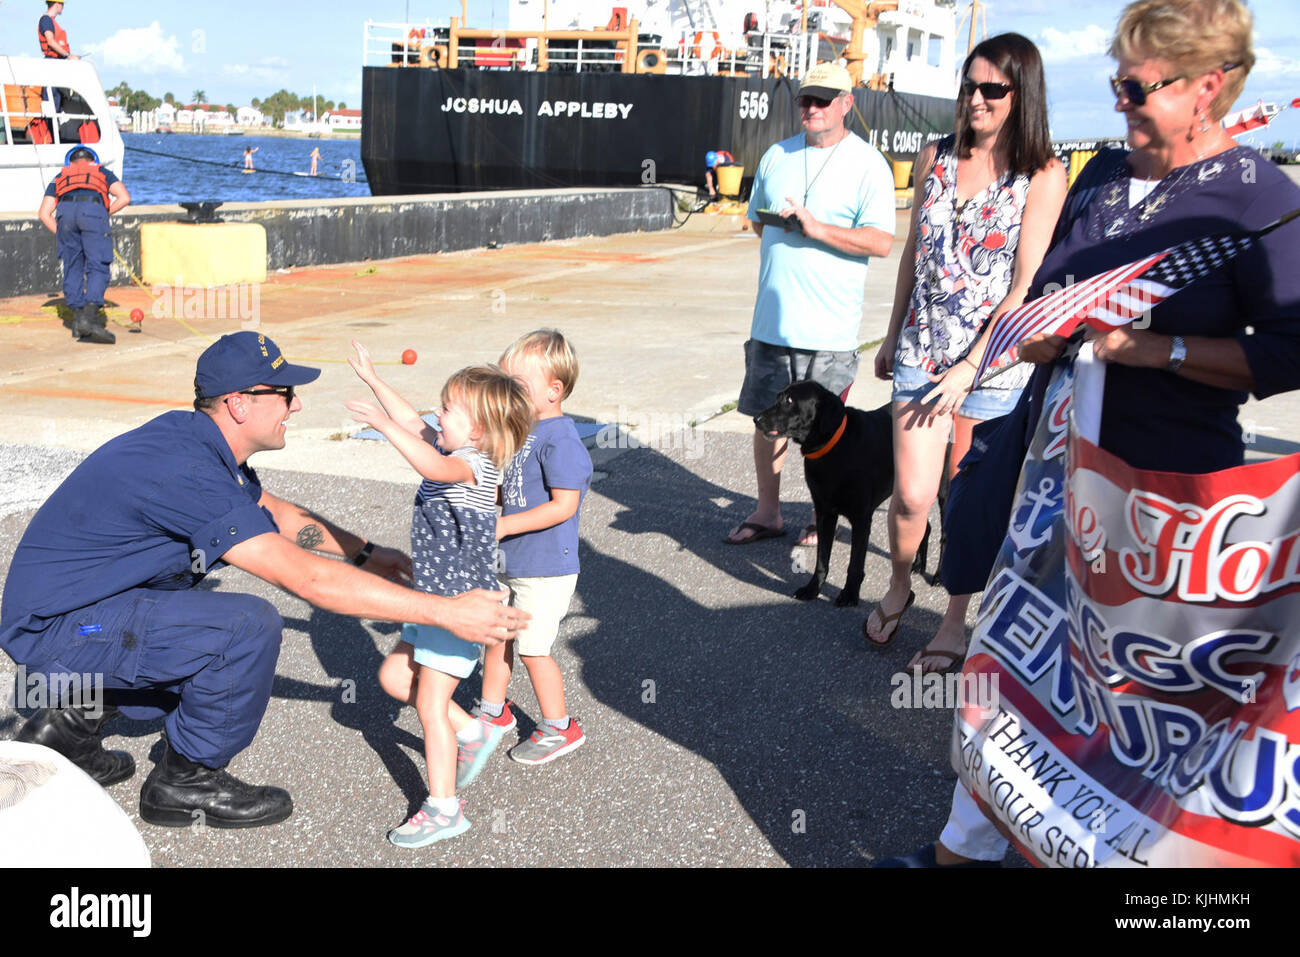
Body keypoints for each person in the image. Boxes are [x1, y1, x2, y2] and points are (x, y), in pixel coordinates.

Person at [878, 0, 1300, 867]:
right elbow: (1050, 286)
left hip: (1165, 490)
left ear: (1208, 86)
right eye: (1115, 82)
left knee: (1139, 696)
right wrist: (1039, 328)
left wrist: (1160, 348)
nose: (1119, 103)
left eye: (1137, 87)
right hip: (1056, 463)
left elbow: (1291, 346)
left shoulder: (1260, 197)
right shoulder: (1104, 171)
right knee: (1010, 657)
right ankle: (961, 848)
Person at [1, 332, 528, 831]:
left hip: (74, 611)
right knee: (244, 626)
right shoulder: (185, 470)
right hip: (61, 630)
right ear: (239, 404)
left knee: (176, 608)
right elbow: (307, 579)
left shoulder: (197, 442)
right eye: (285, 393)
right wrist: (445, 611)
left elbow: (275, 513)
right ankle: (186, 781)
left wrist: (366, 554)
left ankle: (66, 728)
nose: (296, 406)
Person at [867, 34, 1066, 668]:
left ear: (1021, 94)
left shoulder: (1042, 175)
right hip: (922, 354)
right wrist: (893, 334)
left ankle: (954, 619)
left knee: (969, 503)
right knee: (913, 496)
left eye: (991, 90)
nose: (974, 100)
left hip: (994, 364)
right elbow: (912, 257)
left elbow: (1022, 287)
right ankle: (899, 582)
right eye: (968, 86)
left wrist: (971, 366)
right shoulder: (934, 157)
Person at [346, 344, 534, 848]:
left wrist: (382, 428)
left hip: (460, 609)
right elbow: (414, 424)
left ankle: (443, 808)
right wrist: (373, 380)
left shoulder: (471, 465)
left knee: (431, 706)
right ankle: (473, 731)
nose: (436, 413)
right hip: (435, 600)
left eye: (448, 409)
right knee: (392, 678)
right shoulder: (456, 448)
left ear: (477, 431)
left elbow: (431, 465)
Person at [724, 62, 896, 545]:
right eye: (805, 100)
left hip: (830, 328)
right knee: (768, 420)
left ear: (848, 103)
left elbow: (882, 242)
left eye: (824, 99)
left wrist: (817, 228)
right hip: (773, 323)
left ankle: (824, 518)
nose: (812, 108)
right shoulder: (777, 155)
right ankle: (768, 511)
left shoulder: (869, 165)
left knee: (827, 432)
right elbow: (758, 221)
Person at [476, 330, 593, 764]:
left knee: (533, 649)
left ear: (553, 390)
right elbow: (513, 490)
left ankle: (559, 728)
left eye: (518, 387)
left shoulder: (560, 439)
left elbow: (564, 506)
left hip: (546, 568)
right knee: (497, 635)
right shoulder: (521, 432)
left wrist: (504, 525)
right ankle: (492, 713)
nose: (508, 395)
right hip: (513, 560)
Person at [37, 146, 131, 345]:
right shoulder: (102, 172)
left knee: (72, 266)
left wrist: (62, 233)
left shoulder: (60, 176)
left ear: (69, 163)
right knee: (98, 265)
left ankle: (78, 322)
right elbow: (124, 197)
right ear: (93, 161)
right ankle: (89, 319)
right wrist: (104, 214)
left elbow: (44, 213)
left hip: (65, 216)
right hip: (93, 212)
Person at [38, 0, 77, 114]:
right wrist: (68, 55)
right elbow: (50, 42)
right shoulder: (46, 20)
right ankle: (50, 129)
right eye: (62, 4)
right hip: (52, 63)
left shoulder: (51, 21)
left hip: (57, 63)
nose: (63, 7)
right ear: (57, 4)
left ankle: (54, 128)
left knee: (57, 99)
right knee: (52, 99)